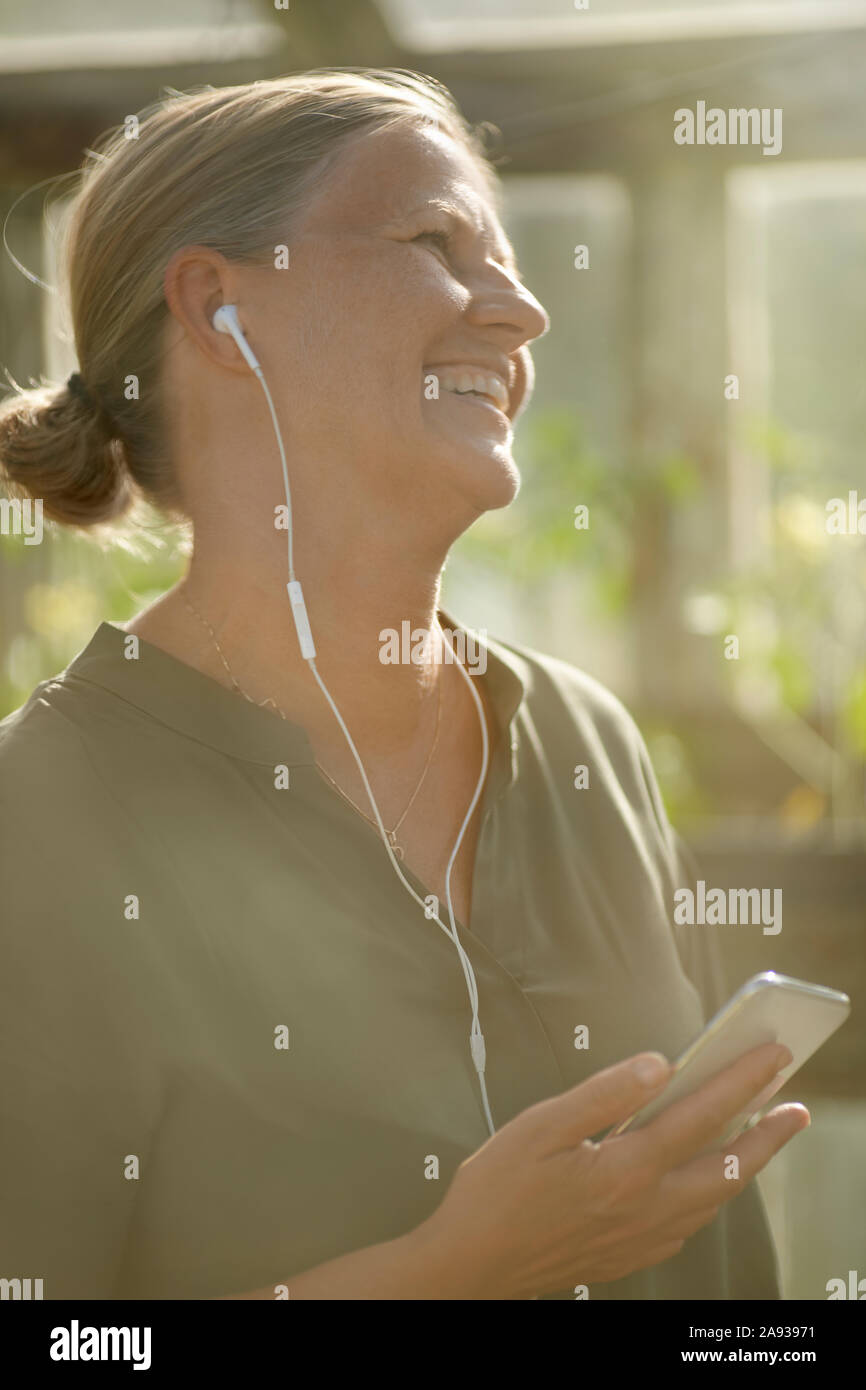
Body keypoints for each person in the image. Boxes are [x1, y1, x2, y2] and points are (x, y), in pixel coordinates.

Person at [0, 68, 808, 1301]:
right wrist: (445, 1276)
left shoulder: (583, 742)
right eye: (434, 241)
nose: (523, 311)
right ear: (220, 310)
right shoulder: (39, 819)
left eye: (510, 259)